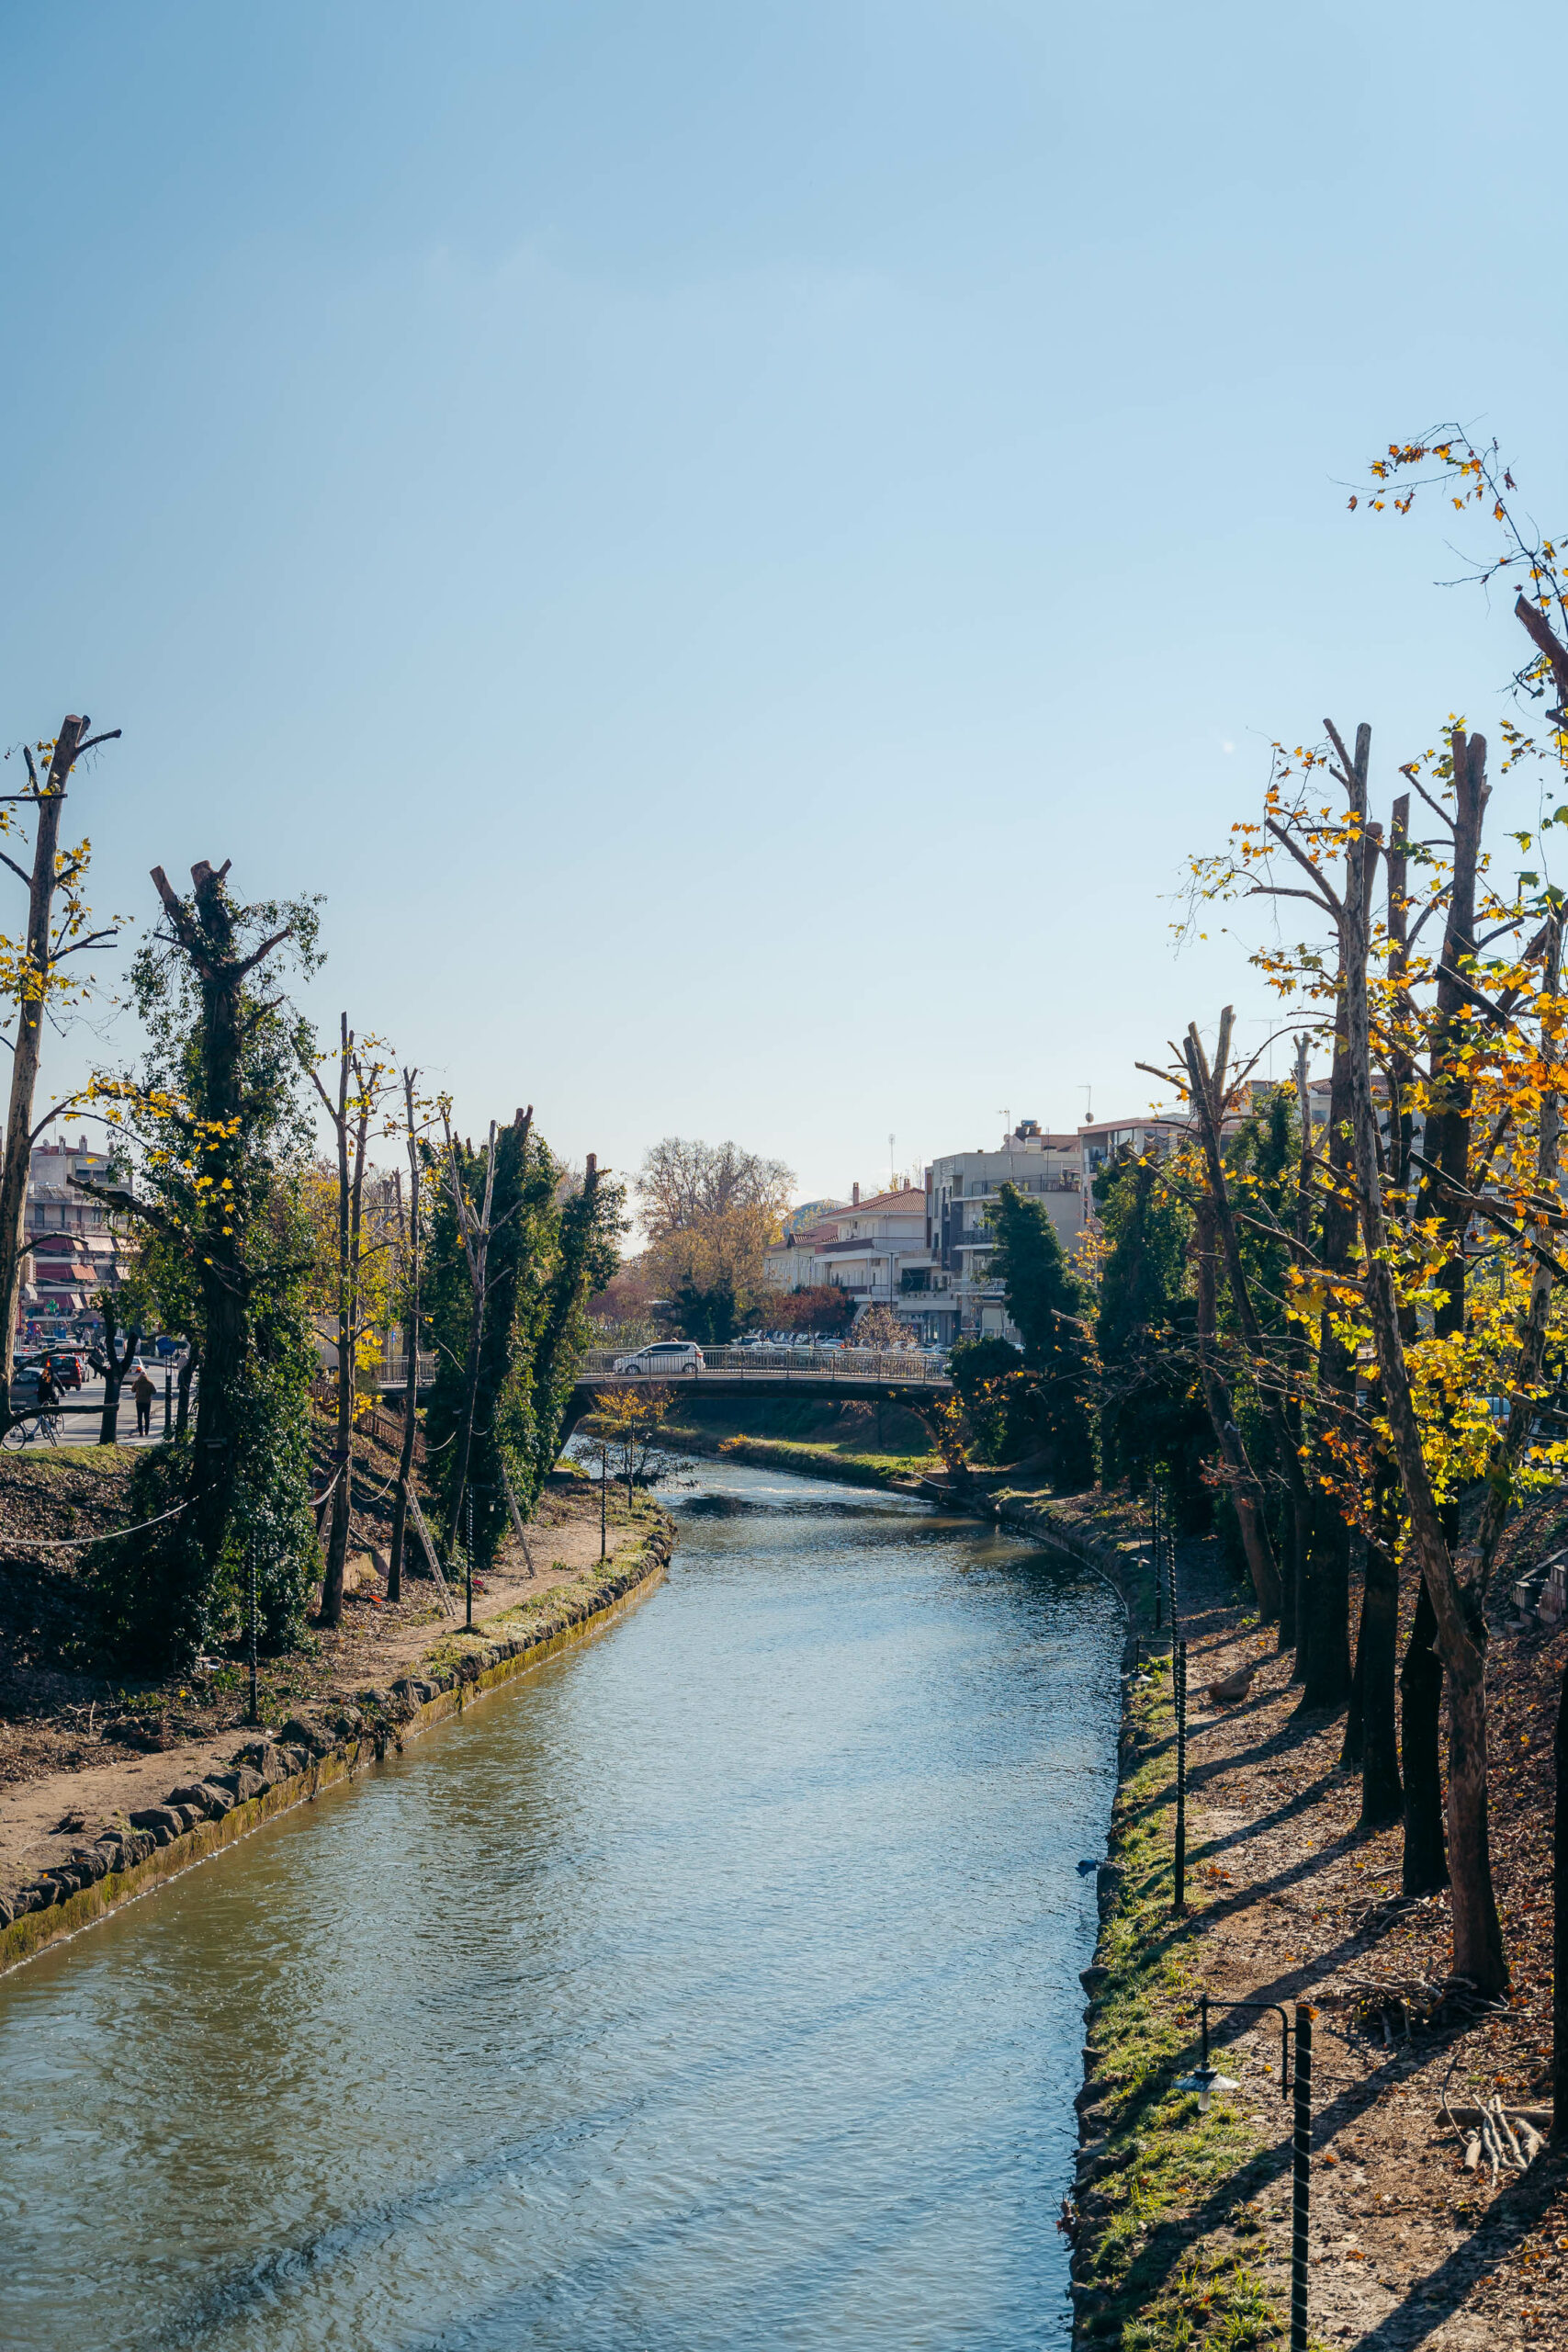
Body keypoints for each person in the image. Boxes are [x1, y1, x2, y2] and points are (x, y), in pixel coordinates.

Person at [132, 1361, 157, 1438]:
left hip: (139, 1401)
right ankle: (146, 1431)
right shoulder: (150, 1383)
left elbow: (132, 1390)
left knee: (139, 1417)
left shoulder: (137, 1382)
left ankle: (140, 1432)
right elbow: (154, 1392)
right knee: (147, 1417)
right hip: (147, 1402)